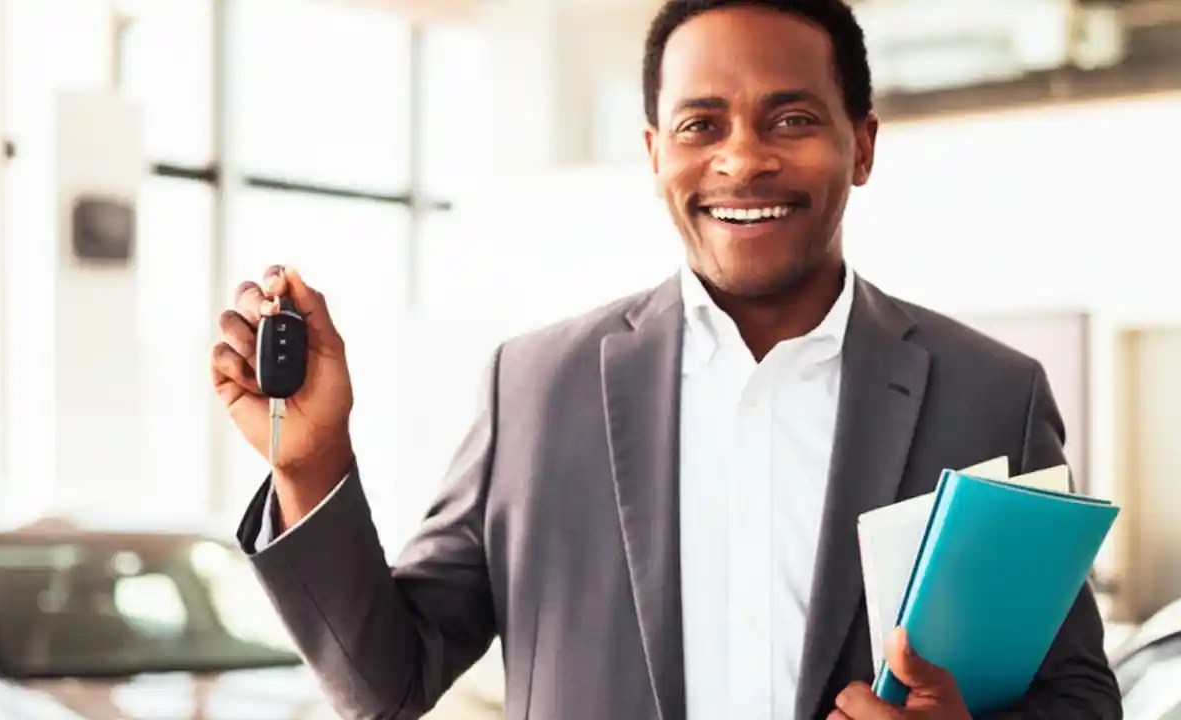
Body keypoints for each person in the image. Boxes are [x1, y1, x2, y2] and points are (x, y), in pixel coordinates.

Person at [210, 1, 1122, 718]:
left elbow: (1079, 697)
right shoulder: (535, 389)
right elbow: (384, 686)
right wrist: (311, 464)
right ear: (654, 155)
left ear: (863, 146)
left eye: (791, 118)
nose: (743, 160)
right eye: (700, 126)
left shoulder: (990, 395)